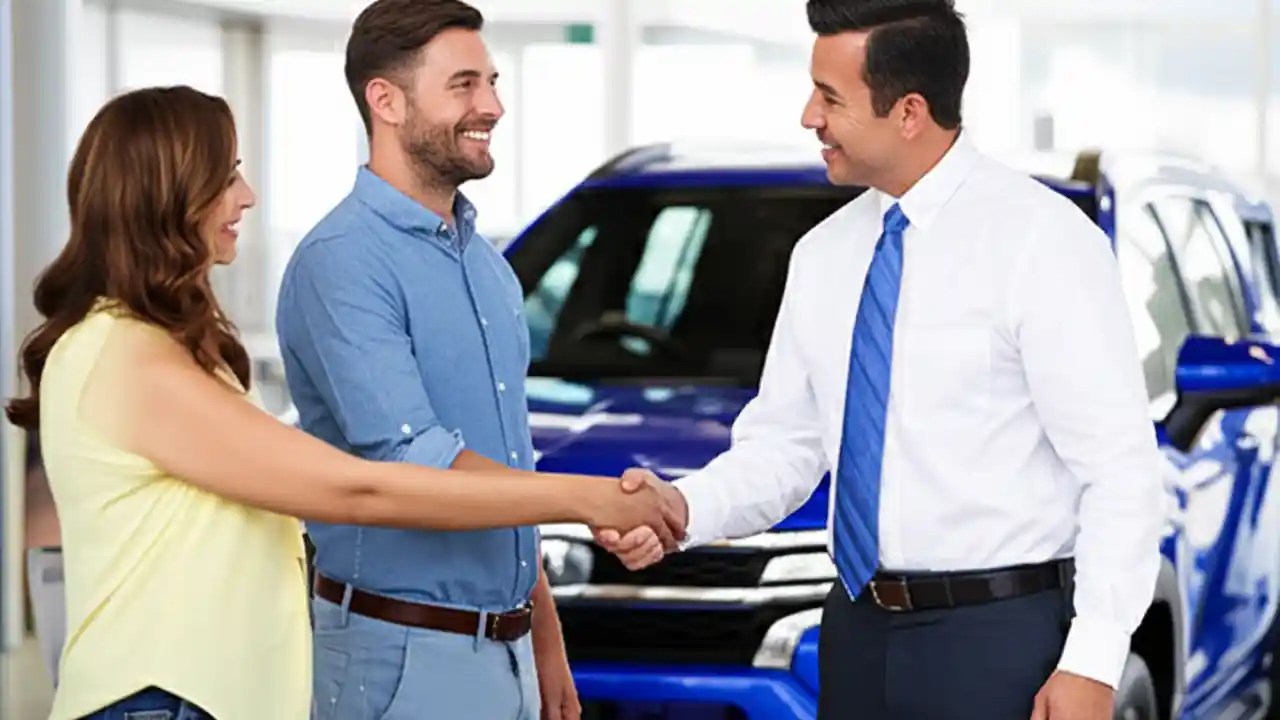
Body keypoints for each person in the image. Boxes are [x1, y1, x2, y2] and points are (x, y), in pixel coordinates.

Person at [4, 85, 678, 720]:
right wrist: (588, 499)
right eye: (227, 175)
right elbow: (355, 490)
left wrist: (537, 613)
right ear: (167, 194)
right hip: (165, 700)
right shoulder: (128, 357)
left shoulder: (158, 346)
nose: (247, 195)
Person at [597, 1, 1165, 718]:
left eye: (829, 97)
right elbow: (785, 448)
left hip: (998, 637)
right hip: (855, 628)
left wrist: (1093, 661)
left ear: (909, 111)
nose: (809, 116)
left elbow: (1118, 471)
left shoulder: (1043, 243)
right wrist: (683, 507)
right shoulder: (824, 255)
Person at [274, 2, 684, 719]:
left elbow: (504, 466)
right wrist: (592, 500)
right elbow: (417, 462)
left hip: (507, 650)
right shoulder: (342, 264)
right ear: (386, 100)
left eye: (491, 81)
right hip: (398, 655)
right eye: (464, 84)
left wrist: (545, 642)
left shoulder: (488, 266)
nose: (492, 105)